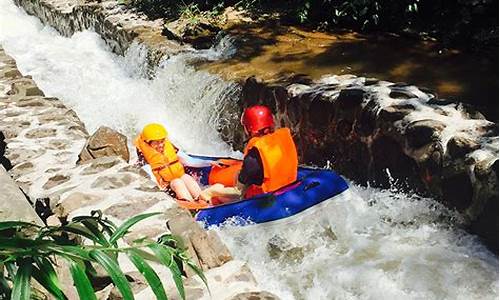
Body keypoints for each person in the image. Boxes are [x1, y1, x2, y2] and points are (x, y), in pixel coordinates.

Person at [200, 105, 298, 203]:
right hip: (290, 188)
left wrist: (212, 191)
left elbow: (238, 192)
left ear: (248, 128)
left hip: (268, 199)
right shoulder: (283, 138)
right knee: (239, 174)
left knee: (217, 196)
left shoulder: (253, 158)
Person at [134, 123, 202, 202]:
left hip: (177, 179)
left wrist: (210, 162)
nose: (160, 145)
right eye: (156, 143)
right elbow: (150, 177)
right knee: (177, 182)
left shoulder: (168, 146)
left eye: (162, 141)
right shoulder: (144, 156)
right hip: (166, 188)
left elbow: (189, 160)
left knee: (186, 177)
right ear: (148, 143)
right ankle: (191, 205)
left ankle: (203, 200)